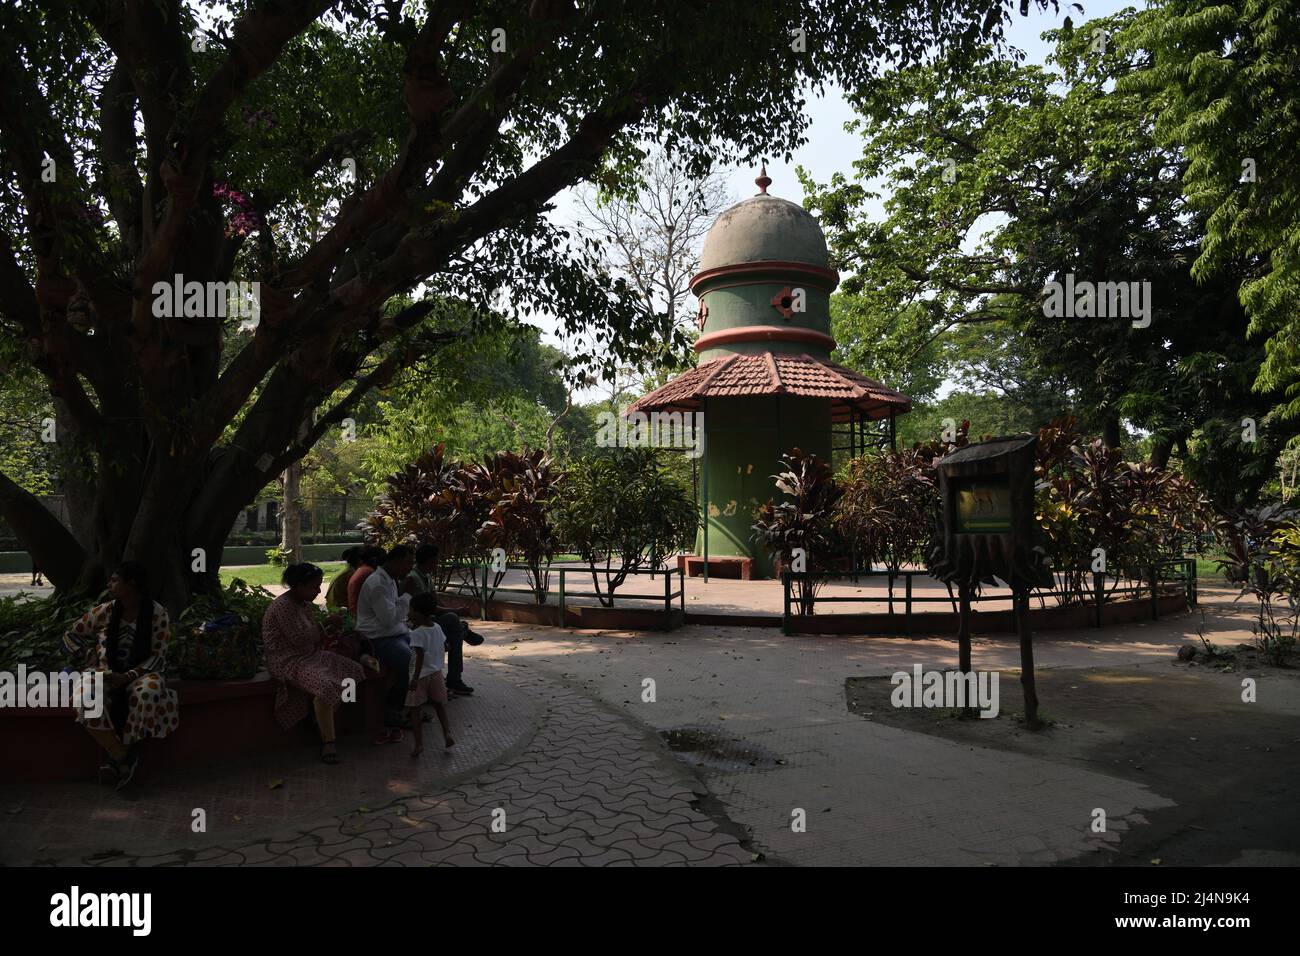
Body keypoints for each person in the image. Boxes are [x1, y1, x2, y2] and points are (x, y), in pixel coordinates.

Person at [61, 561, 178, 789]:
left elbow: (158, 656)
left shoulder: (157, 613)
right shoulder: (105, 611)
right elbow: (69, 635)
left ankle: (114, 762)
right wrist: (87, 654)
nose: (109, 584)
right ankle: (123, 757)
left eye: (114, 580)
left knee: (147, 693)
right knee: (86, 696)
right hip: (105, 672)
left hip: (143, 673)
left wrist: (127, 676)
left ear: (131, 584)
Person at [262, 562, 378, 763]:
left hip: (310, 654)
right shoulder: (282, 607)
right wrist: (326, 624)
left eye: (318, 586)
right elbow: (299, 638)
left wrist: (334, 627)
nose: (317, 591)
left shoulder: (304, 605)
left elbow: (313, 636)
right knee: (324, 686)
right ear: (298, 586)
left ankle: (326, 715)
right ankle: (328, 742)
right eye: (313, 587)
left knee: (353, 670)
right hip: (287, 660)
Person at [403, 543, 484, 696]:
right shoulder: (413, 578)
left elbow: (436, 600)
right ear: (429, 560)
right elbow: (428, 608)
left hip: (429, 618)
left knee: (453, 625)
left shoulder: (426, 575)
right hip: (417, 622)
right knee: (454, 622)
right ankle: (463, 633)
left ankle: (462, 630)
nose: (438, 563)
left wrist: (450, 611)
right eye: (436, 560)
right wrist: (455, 611)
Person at [356, 545, 417, 733]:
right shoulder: (378, 584)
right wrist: (406, 594)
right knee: (408, 659)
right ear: (395, 561)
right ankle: (394, 711)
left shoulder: (389, 579)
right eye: (408, 563)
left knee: (426, 647)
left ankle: (414, 705)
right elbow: (389, 619)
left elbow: (394, 615)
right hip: (377, 639)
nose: (410, 568)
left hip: (396, 633)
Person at [406, 594, 454, 756]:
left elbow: (419, 657)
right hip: (436, 673)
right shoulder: (437, 628)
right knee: (439, 705)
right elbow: (445, 645)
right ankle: (447, 733)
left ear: (417, 612)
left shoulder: (417, 633)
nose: (409, 612)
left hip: (420, 677)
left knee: (414, 710)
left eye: (410, 609)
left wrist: (414, 678)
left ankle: (419, 744)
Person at [346, 546, 385, 618]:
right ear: (374, 559)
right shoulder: (369, 572)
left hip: (357, 615)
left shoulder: (362, 569)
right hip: (363, 618)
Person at [325, 547, 362, 611]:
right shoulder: (352, 574)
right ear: (360, 559)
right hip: (339, 610)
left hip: (333, 607)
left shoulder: (348, 571)